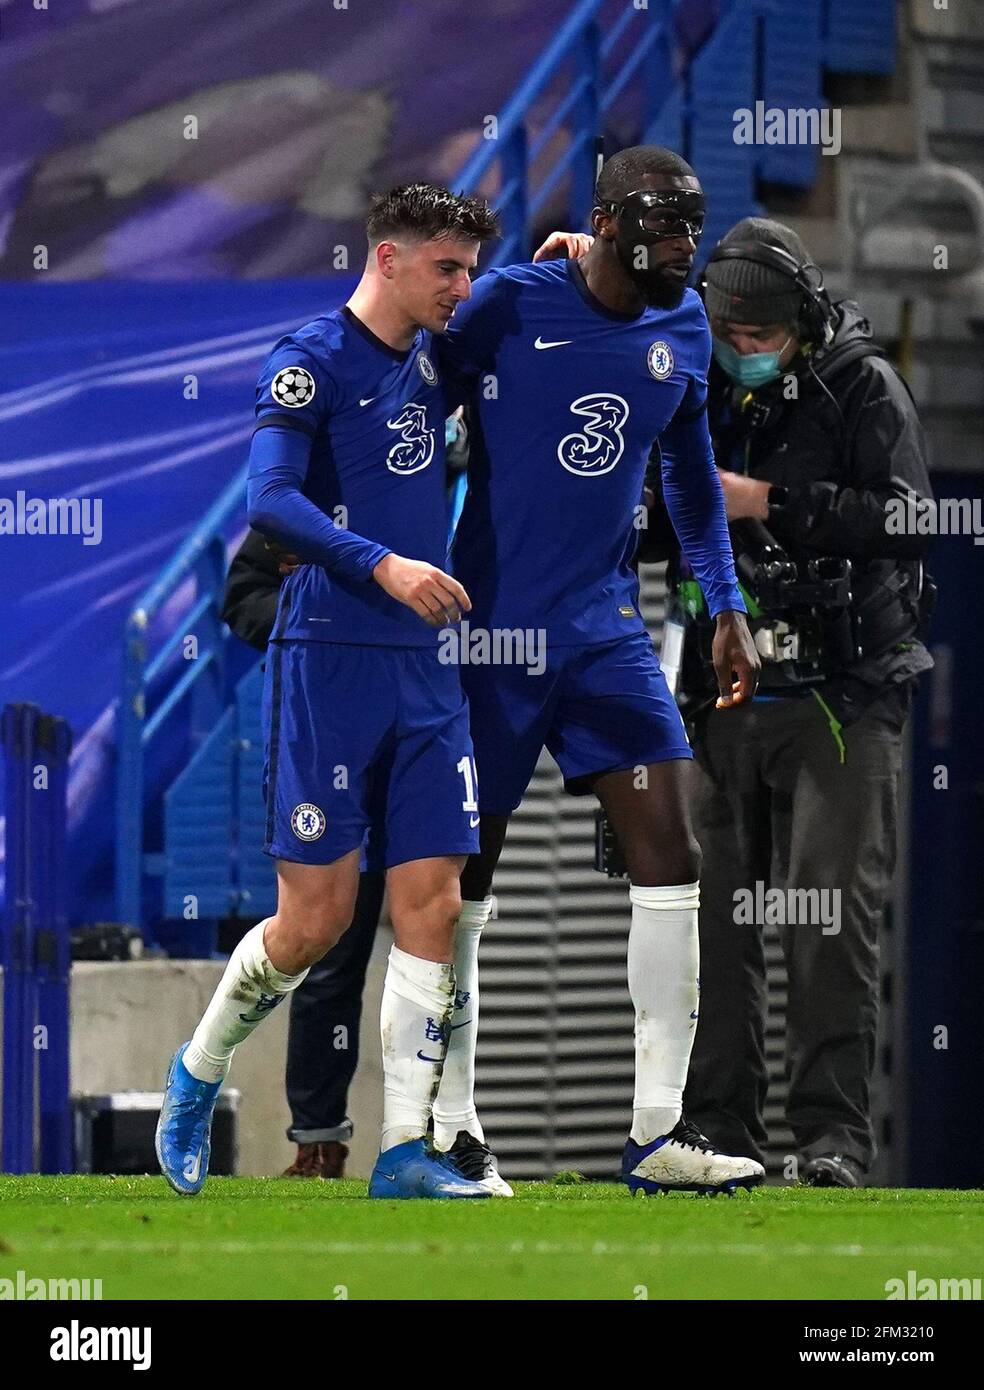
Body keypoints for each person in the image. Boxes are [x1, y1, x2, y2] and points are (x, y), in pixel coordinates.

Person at [431, 145, 767, 1195]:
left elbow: (692, 478)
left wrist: (725, 604)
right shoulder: (507, 303)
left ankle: (654, 1134)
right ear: (612, 220)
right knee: (461, 875)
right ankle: (451, 1124)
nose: (686, 249)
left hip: (607, 634)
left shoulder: (684, 325)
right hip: (492, 637)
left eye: (693, 229)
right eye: (668, 228)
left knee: (671, 853)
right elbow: (411, 402)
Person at [156, 184, 502, 1201]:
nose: (464, 289)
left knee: (432, 904)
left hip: (427, 669)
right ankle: (196, 1073)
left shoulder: (438, 356)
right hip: (329, 660)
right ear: (387, 260)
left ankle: (404, 1151)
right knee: (315, 923)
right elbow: (269, 500)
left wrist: (566, 254)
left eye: (473, 269)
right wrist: (384, 564)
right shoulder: (307, 360)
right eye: (447, 268)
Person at [643, 216, 934, 1186]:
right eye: (729, 335)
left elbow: (908, 520)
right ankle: (720, 1129)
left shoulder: (863, 386)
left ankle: (832, 1140)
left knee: (824, 924)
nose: (743, 352)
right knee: (720, 923)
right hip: (725, 695)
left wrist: (764, 500)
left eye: (760, 337)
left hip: (842, 699)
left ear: (802, 321)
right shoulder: (698, 385)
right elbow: (655, 521)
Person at [221, 529, 385, 1180]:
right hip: (333, 741)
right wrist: (320, 623)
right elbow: (243, 597)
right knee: (329, 948)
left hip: (437, 727)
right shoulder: (308, 493)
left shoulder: (469, 476)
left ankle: (440, 1131)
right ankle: (318, 1140)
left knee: (446, 933)